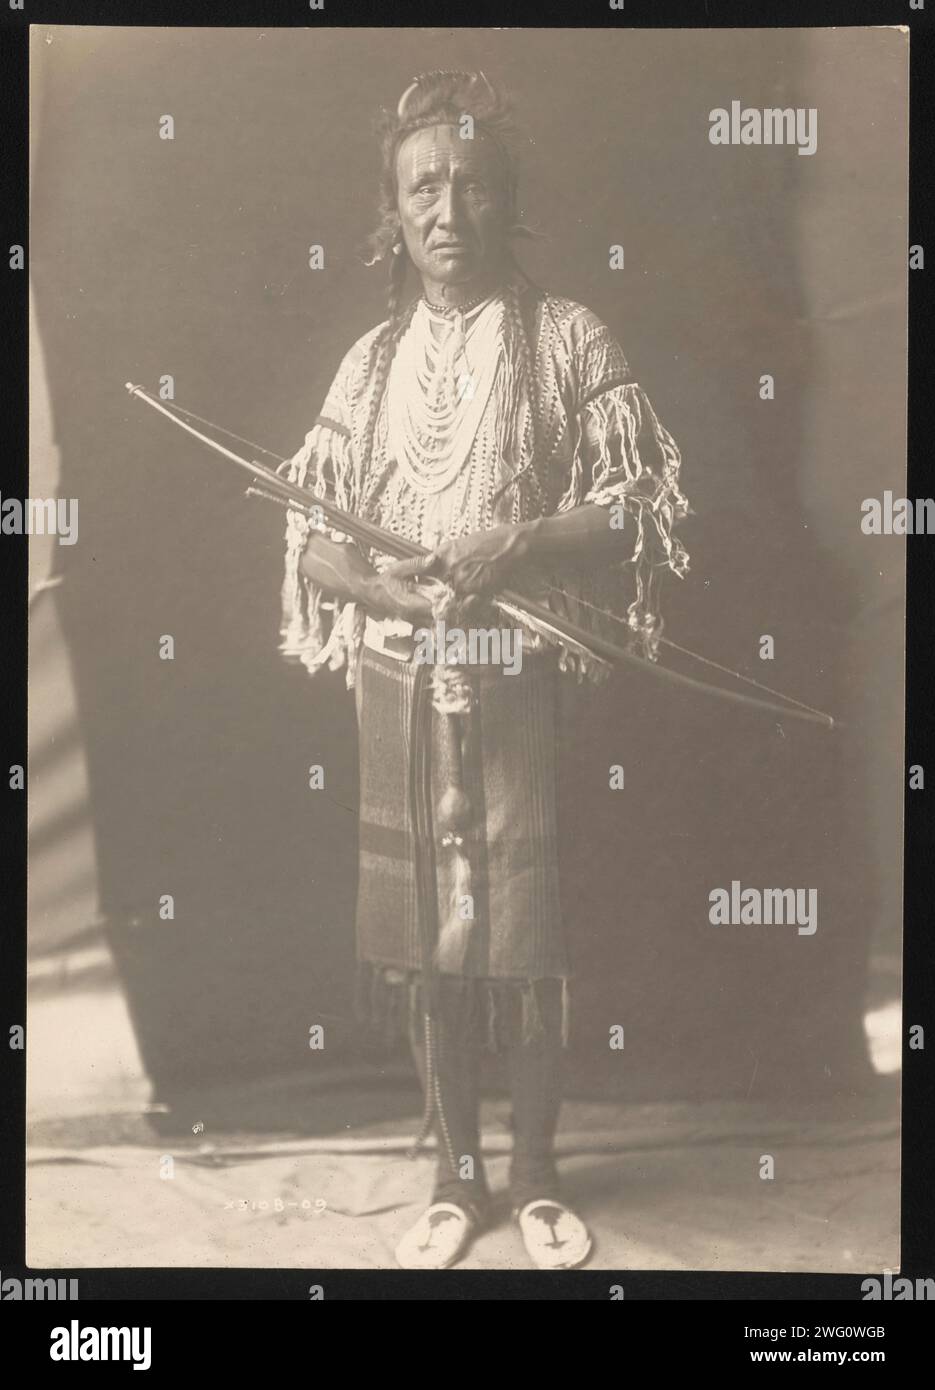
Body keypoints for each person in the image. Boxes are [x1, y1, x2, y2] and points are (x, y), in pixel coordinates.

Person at [278, 69, 689, 1270]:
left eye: (469, 182)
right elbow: (314, 539)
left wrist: (515, 539)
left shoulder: (568, 340)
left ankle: (537, 1173)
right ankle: (457, 1177)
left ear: (505, 200)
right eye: (422, 185)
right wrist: (387, 587)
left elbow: (638, 511)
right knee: (426, 940)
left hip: (524, 674)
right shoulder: (367, 362)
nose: (445, 206)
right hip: (400, 680)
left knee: (523, 935)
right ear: (393, 211)